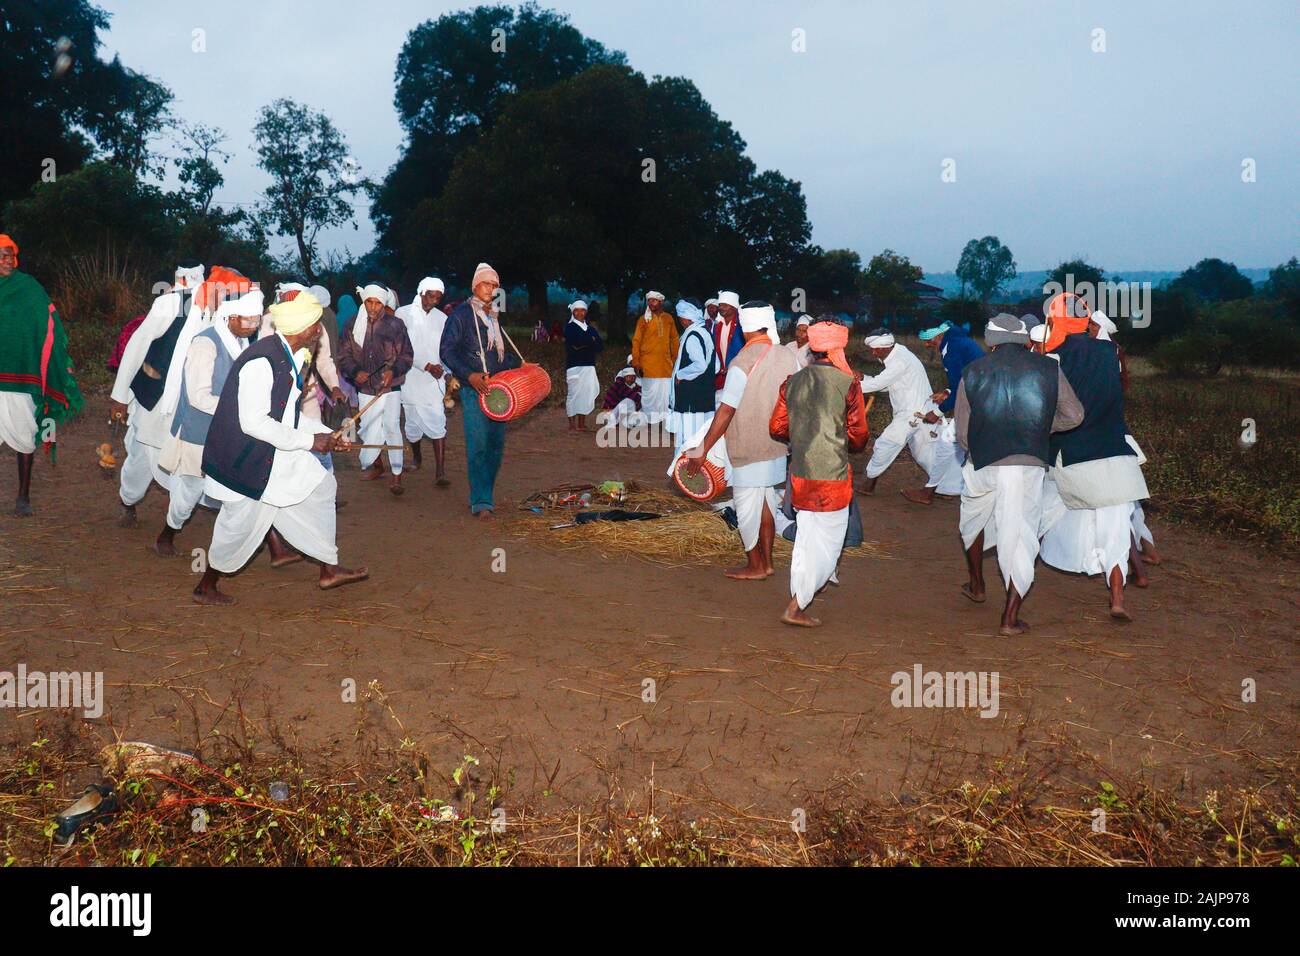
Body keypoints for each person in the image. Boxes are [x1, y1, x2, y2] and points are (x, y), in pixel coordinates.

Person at [193, 294, 368, 605]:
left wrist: (326, 434)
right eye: (316, 326)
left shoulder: (287, 356)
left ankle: (328, 567)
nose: (319, 331)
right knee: (237, 526)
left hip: (270, 454)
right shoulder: (263, 362)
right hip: (247, 460)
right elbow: (254, 423)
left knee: (320, 485)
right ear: (302, 329)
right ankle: (206, 585)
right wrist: (311, 442)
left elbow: (288, 417)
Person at [954, 314, 1084, 636]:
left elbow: (962, 434)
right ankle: (1009, 617)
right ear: (1025, 340)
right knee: (1021, 532)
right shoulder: (1049, 368)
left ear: (990, 341)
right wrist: (1039, 430)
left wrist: (983, 445)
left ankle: (977, 584)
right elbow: (1075, 415)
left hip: (983, 463)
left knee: (972, 523)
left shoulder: (972, 371)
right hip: (1028, 464)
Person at [1038, 293, 1150, 621]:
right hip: (1116, 454)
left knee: (1037, 513)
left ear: (1055, 321)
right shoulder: (1110, 352)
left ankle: (1015, 580)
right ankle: (1117, 598)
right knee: (1115, 528)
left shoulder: (1053, 356)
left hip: (1071, 455)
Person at [684, 302, 799, 580]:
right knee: (767, 504)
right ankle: (768, 562)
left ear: (745, 328)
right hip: (777, 445)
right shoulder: (788, 356)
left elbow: (726, 411)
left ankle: (755, 565)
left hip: (748, 447)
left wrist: (702, 449)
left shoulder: (741, 363)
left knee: (747, 508)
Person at [768, 320, 869, 626]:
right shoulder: (848, 384)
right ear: (838, 349)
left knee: (807, 537)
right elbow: (859, 438)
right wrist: (837, 439)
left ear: (812, 348)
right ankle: (797, 605)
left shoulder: (792, 381)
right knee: (830, 541)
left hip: (800, 471)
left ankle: (808, 587)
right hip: (832, 476)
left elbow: (777, 428)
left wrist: (804, 436)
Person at [155, 284, 262, 556]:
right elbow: (198, 397)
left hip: (230, 430)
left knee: (241, 486)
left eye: (257, 320)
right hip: (199, 432)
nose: (254, 326)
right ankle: (169, 531)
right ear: (231, 316)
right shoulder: (205, 343)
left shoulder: (243, 343)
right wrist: (240, 410)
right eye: (249, 320)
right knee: (191, 490)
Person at [109, 261, 213, 526]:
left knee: (183, 458)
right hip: (155, 398)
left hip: (190, 402)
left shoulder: (214, 308)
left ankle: (175, 518)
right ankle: (128, 500)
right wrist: (120, 396)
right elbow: (137, 345)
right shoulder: (169, 303)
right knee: (142, 454)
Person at [0, 234, 83, 516]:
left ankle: (23, 497)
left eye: (11, 255)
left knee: (25, 436)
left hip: (22, 377)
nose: (8, 261)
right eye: (3, 256)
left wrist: (62, 360)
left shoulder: (29, 288)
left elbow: (50, 325)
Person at [440, 262, 521, 518]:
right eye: (486, 283)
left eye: (495, 285)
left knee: (495, 445)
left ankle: (485, 492)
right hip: (473, 389)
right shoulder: (461, 315)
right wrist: (469, 375)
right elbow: (446, 351)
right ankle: (481, 501)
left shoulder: (493, 316)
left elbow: (498, 357)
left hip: (498, 390)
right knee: (478, 444)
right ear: (475, 286)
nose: (490, 289)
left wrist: (521, 364)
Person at [338, 282, 414, 496]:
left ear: (383, 303)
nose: (372, 307)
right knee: (368, 428)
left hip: (390, 387)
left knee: (391, 426)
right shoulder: (353, 324)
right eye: (369, 302)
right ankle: (378, 465)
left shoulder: (395, 325)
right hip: (365, 388)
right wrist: (355, 372)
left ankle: (397, 475)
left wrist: (393, 371)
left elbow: (406, 356)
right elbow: (343, 356)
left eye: (377, 303)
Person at [907, 319, 984, 504]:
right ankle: (951, 487)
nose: (927, 345)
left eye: (929, 340)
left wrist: (938, 412)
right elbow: (962, 380)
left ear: (940, 335)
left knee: (947, 443)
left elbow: (961, 388)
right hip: (981, 398)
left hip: (975, 402)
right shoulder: (960, 342)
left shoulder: (951, 350)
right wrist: (947, 392)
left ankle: (929, 492)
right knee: (958, 446)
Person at [856, 332, 935, 496]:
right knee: (925, 454)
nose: (873, 353)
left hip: (912, 413)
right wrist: (863, 378)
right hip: (919, 410)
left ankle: (868, 484)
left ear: (885, 347)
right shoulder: (899, 355)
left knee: (885, 443)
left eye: (875, 349)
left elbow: (878, 384)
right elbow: (888, 384)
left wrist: (848, 385)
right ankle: (948, 488)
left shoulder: (899, 360)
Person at [396, 277, 451, 482]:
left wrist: (447, 371)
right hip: (410, 378)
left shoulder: (442, 318)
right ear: (421, 293)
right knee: (412, 424)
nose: (433, 301)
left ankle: (440, 471)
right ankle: (417, 458)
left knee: (437, 420)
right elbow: (401, 348)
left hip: (433, 381)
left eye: (438, 298)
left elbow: (445, 348)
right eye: (430, 296)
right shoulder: (403, 314)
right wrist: (426, 365)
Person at [667, 299, 716, 459]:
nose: (680, 321)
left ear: (686, 318)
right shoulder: (704, 331)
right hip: (703, 397)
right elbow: (714, 366)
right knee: (698, 436)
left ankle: (684, 470)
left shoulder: (693, 336)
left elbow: (700, 365)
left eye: (680, 317)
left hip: (691, 400)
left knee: (688, 438)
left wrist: (681, 374)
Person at [630, 291, 677, 425]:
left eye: (654, 300)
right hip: (648, 365)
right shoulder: (643, 319)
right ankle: (650, 420)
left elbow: (674, 339)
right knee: (649, 395)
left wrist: (675, 358)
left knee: (665, 395)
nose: (651, 303)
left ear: (661, 302)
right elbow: (636, 341)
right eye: (649, 301)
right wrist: (636, 361)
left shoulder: (668, 318)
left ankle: (664, 421)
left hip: (665, 365)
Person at [563, 299, 603, 431]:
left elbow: (600, 347)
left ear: (586, 312)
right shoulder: (570, 327)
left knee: (586, 394)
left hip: (589, 366)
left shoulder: (590, 329)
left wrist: (586, 342)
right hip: (574, 366)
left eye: (583, 310)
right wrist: (591, 341)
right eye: (577, 310)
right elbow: (575, 343)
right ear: (573, 312)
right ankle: (571, 424)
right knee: (573, 394)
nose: (580, 313)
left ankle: (581, 423)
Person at [712, 291, 745, 389]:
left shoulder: (742, 325)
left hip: (737, 373)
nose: (721, 308)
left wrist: (732, 365)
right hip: (720, 375)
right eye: (720, 305)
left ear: (734, 307)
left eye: (725, 305)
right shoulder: (717, 325)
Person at [601, 362, 642, 427]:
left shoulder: (635, 386)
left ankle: (628, 422)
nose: (631, 378)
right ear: (625, 377)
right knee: (628, 400)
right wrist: (640, 397)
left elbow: (641, 397)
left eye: (633, 376)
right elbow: (635, 396)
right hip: (610, 412)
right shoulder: (619, 385)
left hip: (620, 412)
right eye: (629, 376)